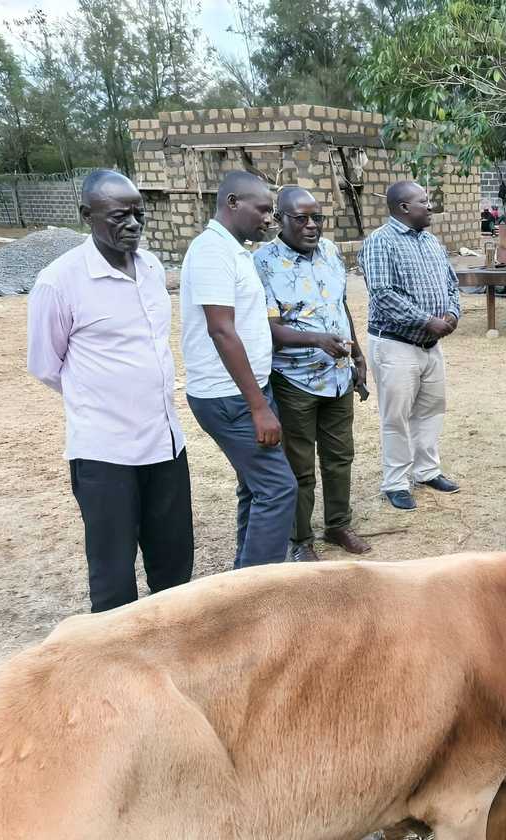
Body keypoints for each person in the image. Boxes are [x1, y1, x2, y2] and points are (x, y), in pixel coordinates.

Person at [26, 170, 193, 612]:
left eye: (139, 213)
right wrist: (101, 399)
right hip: (105, 455)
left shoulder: (153, 268)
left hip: (166, 444)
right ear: (87, 216)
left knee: (175, 568)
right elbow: (45, 365)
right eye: (120, 216)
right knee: (114, 576)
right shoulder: (59, 282)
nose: (134, 224)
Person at [182, 171, 297, 568]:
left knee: (256, 488)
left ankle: (244, 578)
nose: (269, 218)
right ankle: (257, 596)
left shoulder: (232, 249)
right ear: (232, 202)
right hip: (229, 396)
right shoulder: (212, 251)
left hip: (245, 392)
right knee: (279, 489)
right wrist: (258, 407)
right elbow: (221, 330)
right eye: (262, 209)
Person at [253, 187, 371, 563]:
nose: (310, 225)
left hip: (337, 374)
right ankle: (300, 539)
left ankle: (338, 524)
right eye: (300, 218)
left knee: (340, 457)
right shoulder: (264, 262)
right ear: (280, 219)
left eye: (316, 218)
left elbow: (340, 307)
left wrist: (359, 356)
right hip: (294, 380)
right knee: (299, 463)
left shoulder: (331, 252)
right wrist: (317, 340)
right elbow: (268, 329)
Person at [359, 180, 461, 511]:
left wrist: (452, 313)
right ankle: (396, 481)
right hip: (395, 345)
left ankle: (427, 470)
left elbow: (451, 283)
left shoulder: (431, 242)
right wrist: (426, 321)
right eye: (423, 201)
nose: (429, 206)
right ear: (404, 207)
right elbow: (383, 295)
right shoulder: (380, 243)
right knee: (396, 417)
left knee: (431, 410)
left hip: (431, 345)